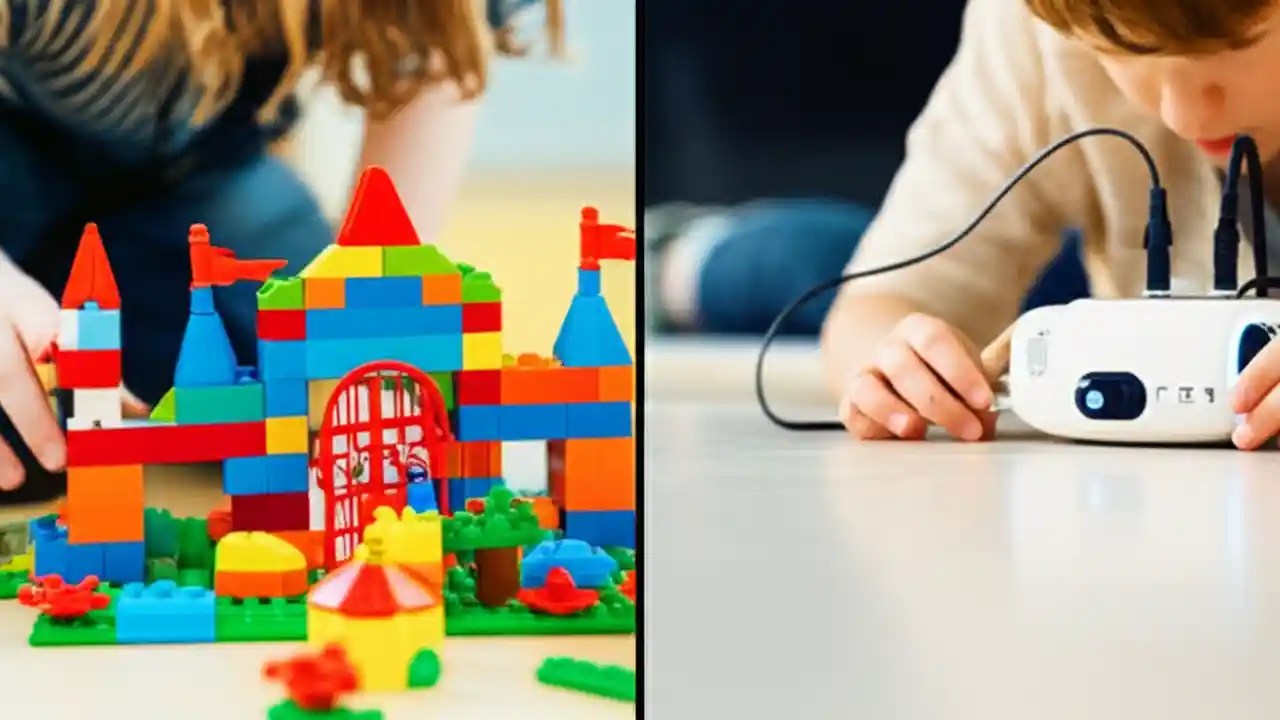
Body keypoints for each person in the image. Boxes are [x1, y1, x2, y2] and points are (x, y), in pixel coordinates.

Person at [0, 0, 559, 500]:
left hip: (194, 172)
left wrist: (380, 314)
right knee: (25, 453)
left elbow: (440, 41)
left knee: (301, 375)